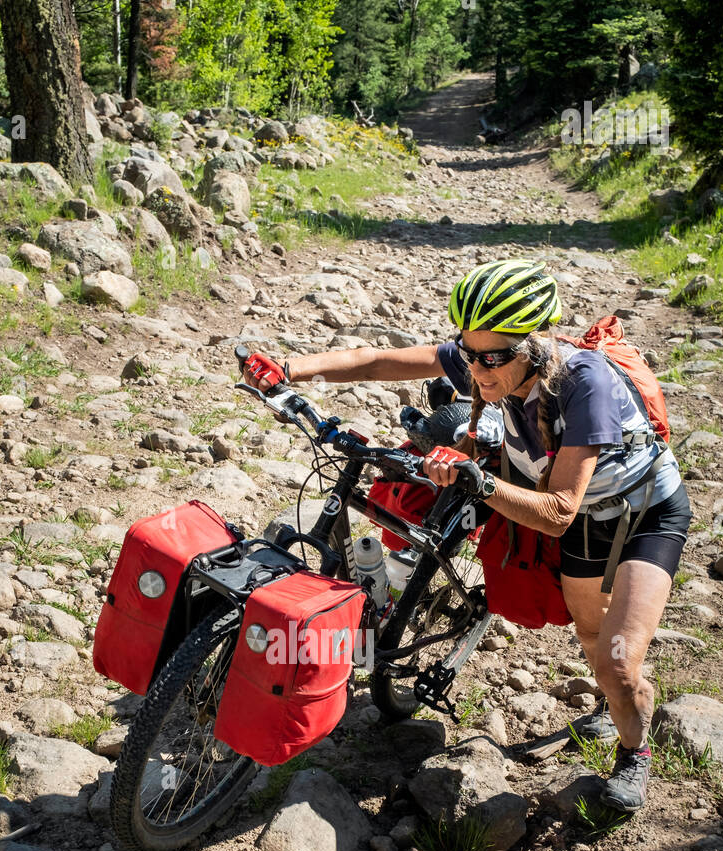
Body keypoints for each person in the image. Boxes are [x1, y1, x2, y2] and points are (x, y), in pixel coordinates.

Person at [241, 259, 691, 812]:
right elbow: (377, 359)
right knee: (596, 640)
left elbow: (555, 514)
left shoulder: (584, 384)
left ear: (531, 343)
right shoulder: (488, 356)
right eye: (468, 352)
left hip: (646, 514)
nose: (478, 367)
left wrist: (479, 481)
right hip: (589, 521)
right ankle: (610, 701)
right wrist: (290, 367)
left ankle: (635, 752)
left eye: (494, 356)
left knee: (620, 662)